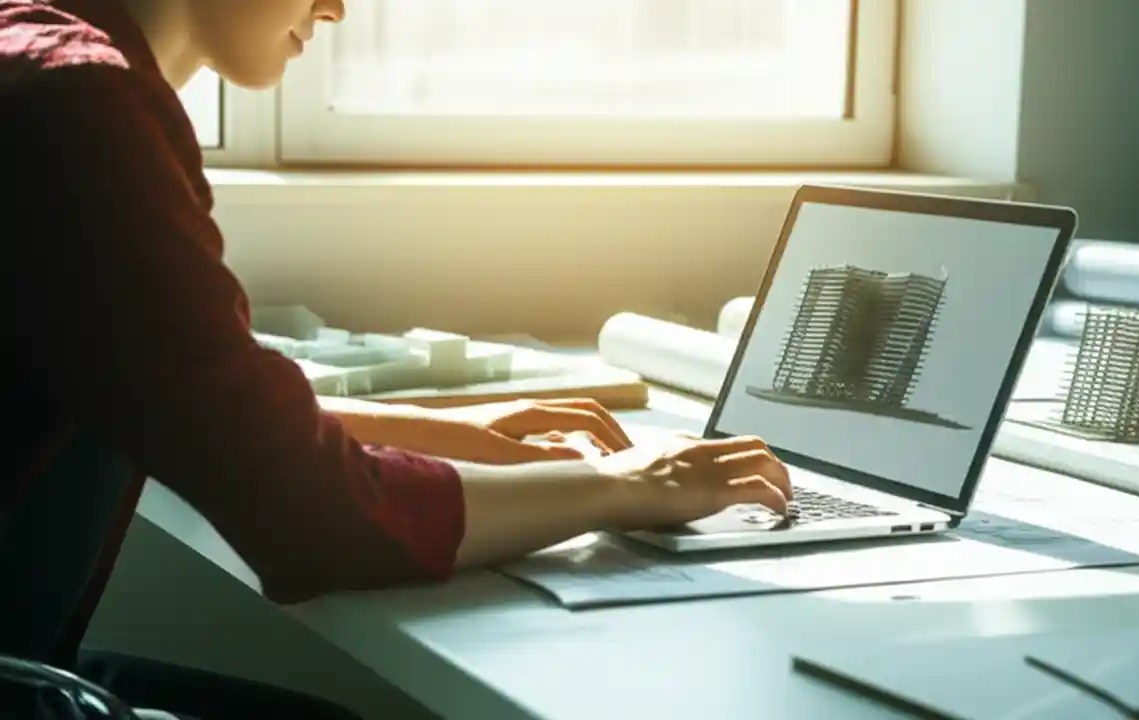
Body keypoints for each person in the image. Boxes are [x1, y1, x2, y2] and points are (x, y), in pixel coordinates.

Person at [0, 0, 792, 717]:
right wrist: (633, 485)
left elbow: (175, 397)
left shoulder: (34, 62)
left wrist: (445, 429)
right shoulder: (81, 107)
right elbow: (311, 519)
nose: (336, 8)